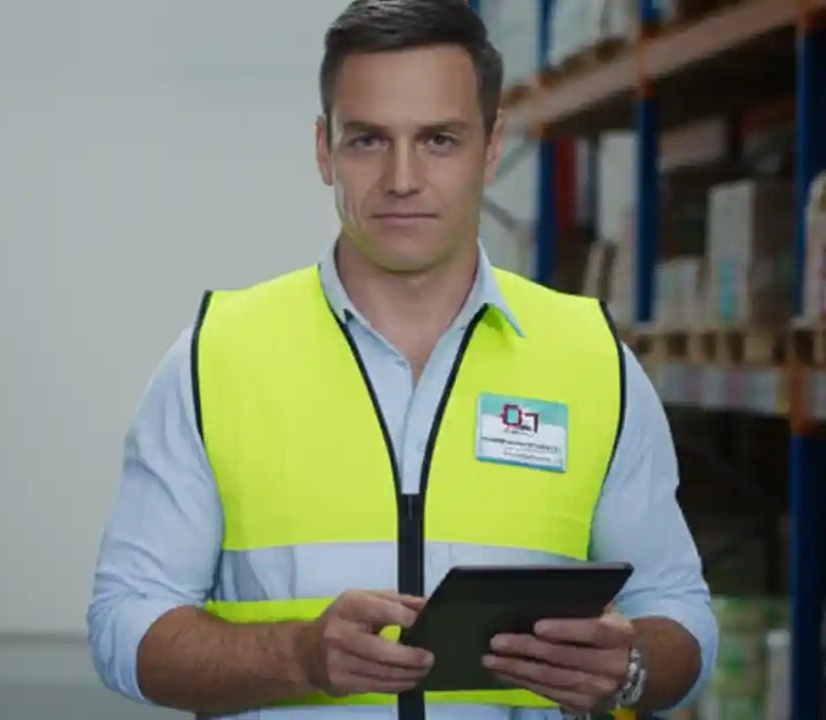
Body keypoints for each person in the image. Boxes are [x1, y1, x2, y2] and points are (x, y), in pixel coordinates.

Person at [86, 1, 717, 718]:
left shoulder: (592, 360)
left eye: (439, 140)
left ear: (491, 147)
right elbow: (124, 623)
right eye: (368, 140)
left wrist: (630, 667)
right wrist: (298, 656)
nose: (403, 178)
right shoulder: (215, 357)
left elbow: (679, 612)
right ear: (324, 150)